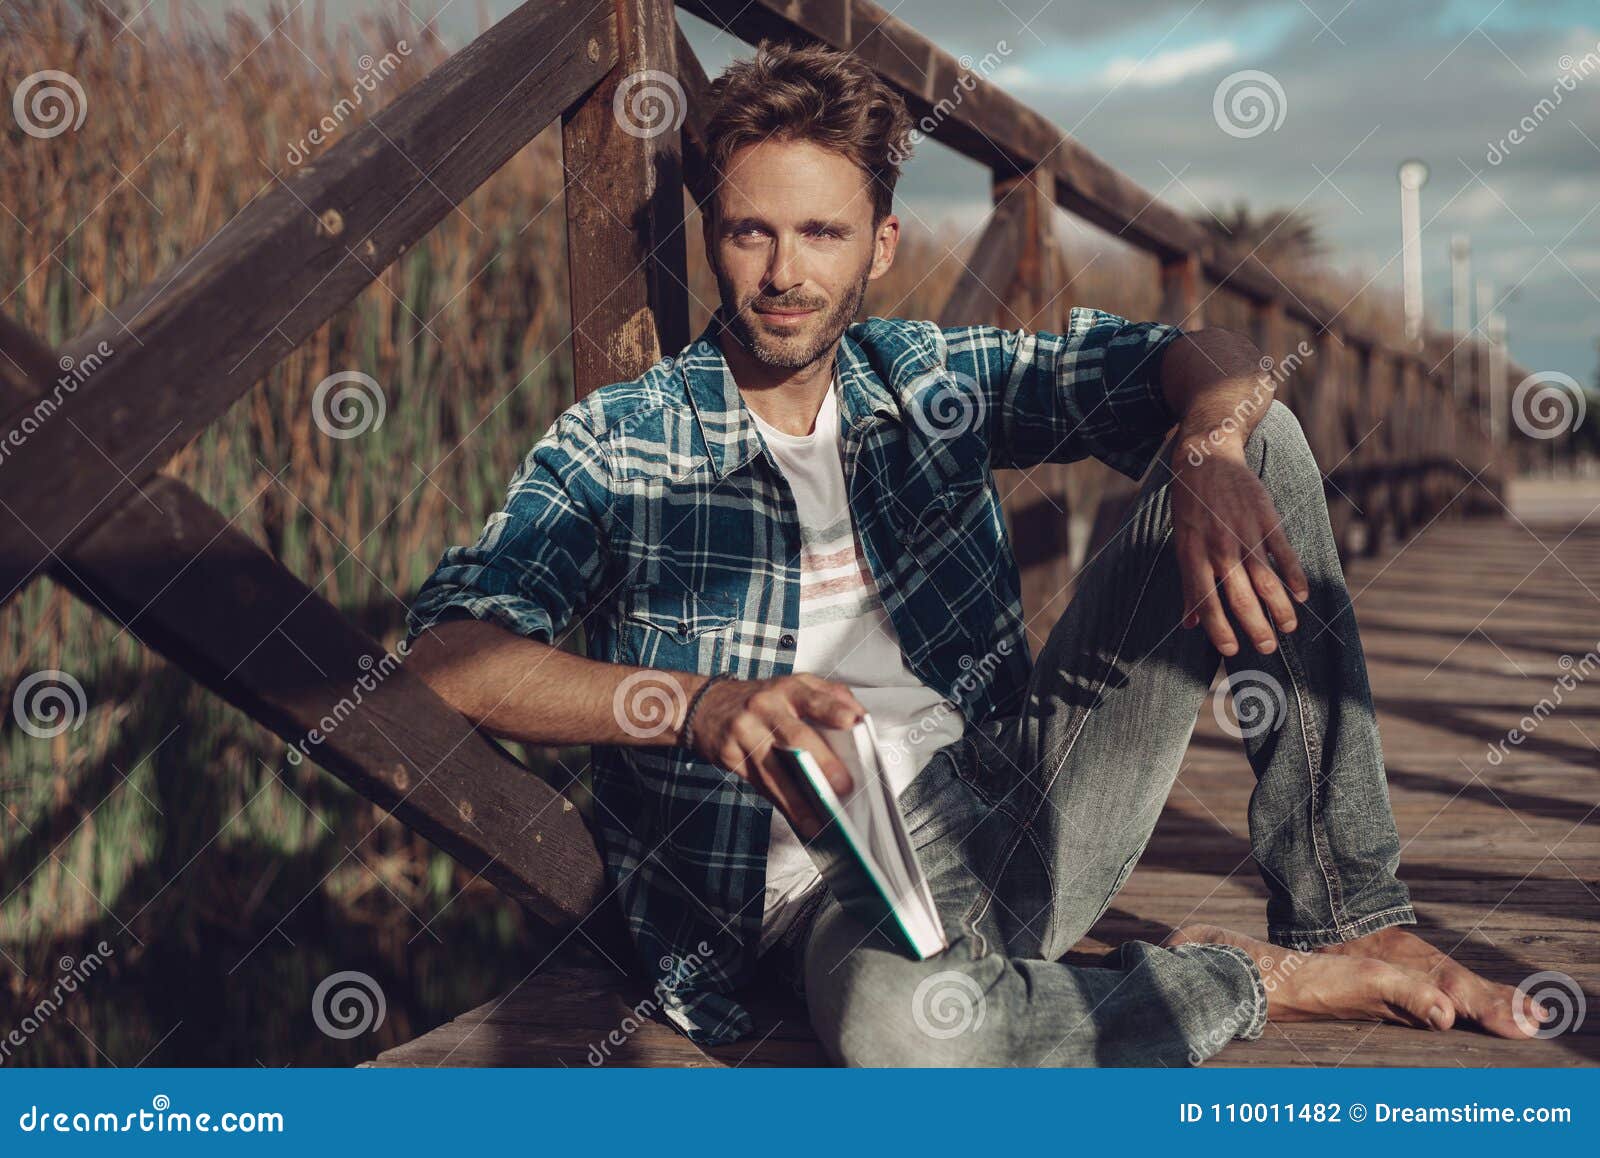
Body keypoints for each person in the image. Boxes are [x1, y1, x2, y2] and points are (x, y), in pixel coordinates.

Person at [402, 40, 1544, 1065]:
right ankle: (1250, 980)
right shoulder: (620, 442)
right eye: (750, 230)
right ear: (713, 233)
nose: (783, 272)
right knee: (910, 1036)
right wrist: (691, 705)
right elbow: (449, 653)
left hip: (1027, 804)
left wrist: (1204, 443)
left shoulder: (926, 381)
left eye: (821, 233)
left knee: (1259, 436)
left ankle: (1348, 911)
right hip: (836, 894)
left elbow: (1209, 353)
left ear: (880, 245)